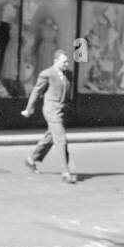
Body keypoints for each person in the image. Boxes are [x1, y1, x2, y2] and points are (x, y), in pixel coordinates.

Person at [23, 49, 77, 184]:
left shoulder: (68, 74)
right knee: (61, 140)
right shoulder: (47, 74)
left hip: (62, 111)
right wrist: (29, 108)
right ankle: (66, 173)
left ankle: (31, 160)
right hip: (51, 110)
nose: (66, 64)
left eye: (67, 62)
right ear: (55, 61)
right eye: (64, 62)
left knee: (51, 137)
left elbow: (68, 95)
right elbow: (36, 91)